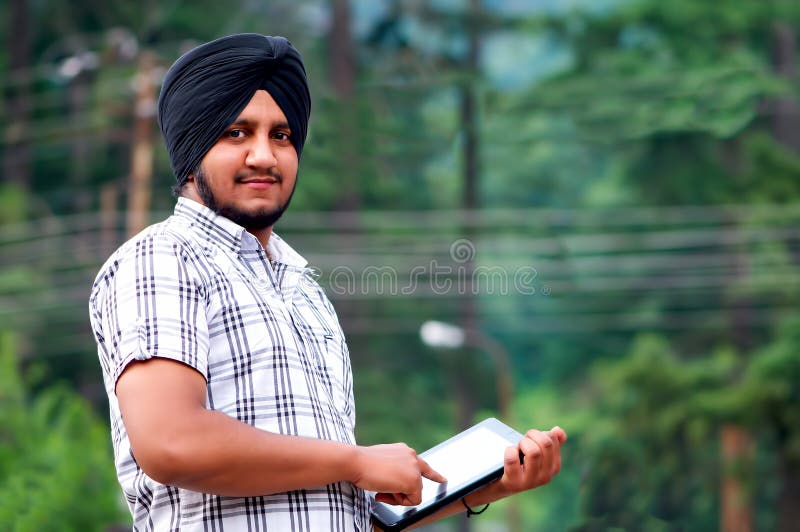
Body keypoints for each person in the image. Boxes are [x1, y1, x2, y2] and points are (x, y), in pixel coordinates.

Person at [89, 33, 566, 532]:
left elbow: (339, 510)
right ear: (193, 147)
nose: (264, 156)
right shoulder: (163, 256)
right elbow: (171, 443)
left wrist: (485, 486)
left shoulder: (305, 293)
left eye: (281, 136)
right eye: (236, 133)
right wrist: (356, 461)